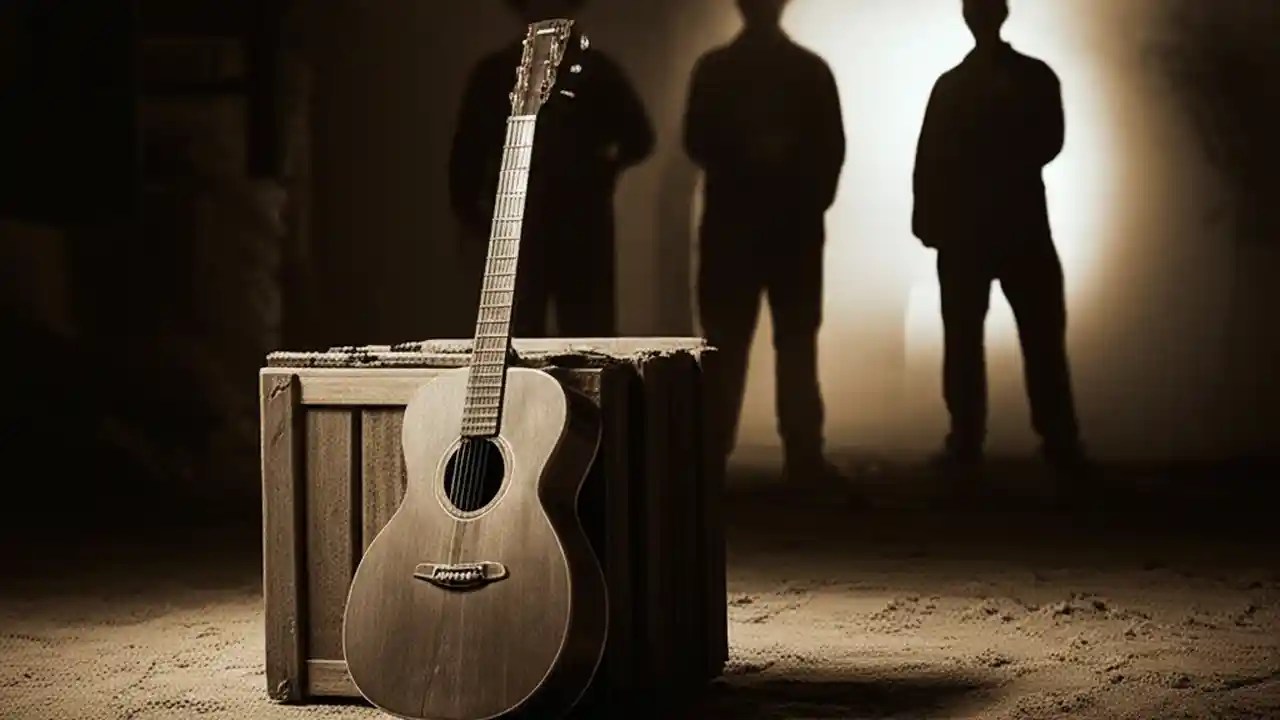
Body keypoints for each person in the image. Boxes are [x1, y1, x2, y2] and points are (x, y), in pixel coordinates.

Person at [912, 0, 1087, 471]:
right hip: (1018, 224)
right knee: (1037, 336)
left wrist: (927, 218)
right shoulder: (1032, 77)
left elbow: (930, 156)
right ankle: (1057, 442)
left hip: (971, 229)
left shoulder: (953, 85)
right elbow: (1048, 141)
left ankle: (969, 441)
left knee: (969, 338)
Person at [685, 0, 845, 485]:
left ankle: (712, 458)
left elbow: (696, 140)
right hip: (792, 231)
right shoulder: (810, 70)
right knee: (794, 343)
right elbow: (831, 149)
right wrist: (808, 196)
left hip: (732, 231)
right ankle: (803, 456)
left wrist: (744, 156)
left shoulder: (716, 69)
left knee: (726, 346)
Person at [448, 0, 654, 337]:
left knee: (585, 337)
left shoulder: (594, 71)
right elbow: (466, 158)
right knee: (519, 334)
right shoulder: (498, 73)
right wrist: (477, 218)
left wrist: (599, 171)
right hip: (521, 227)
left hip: (574, 228)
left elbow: (640, 137)